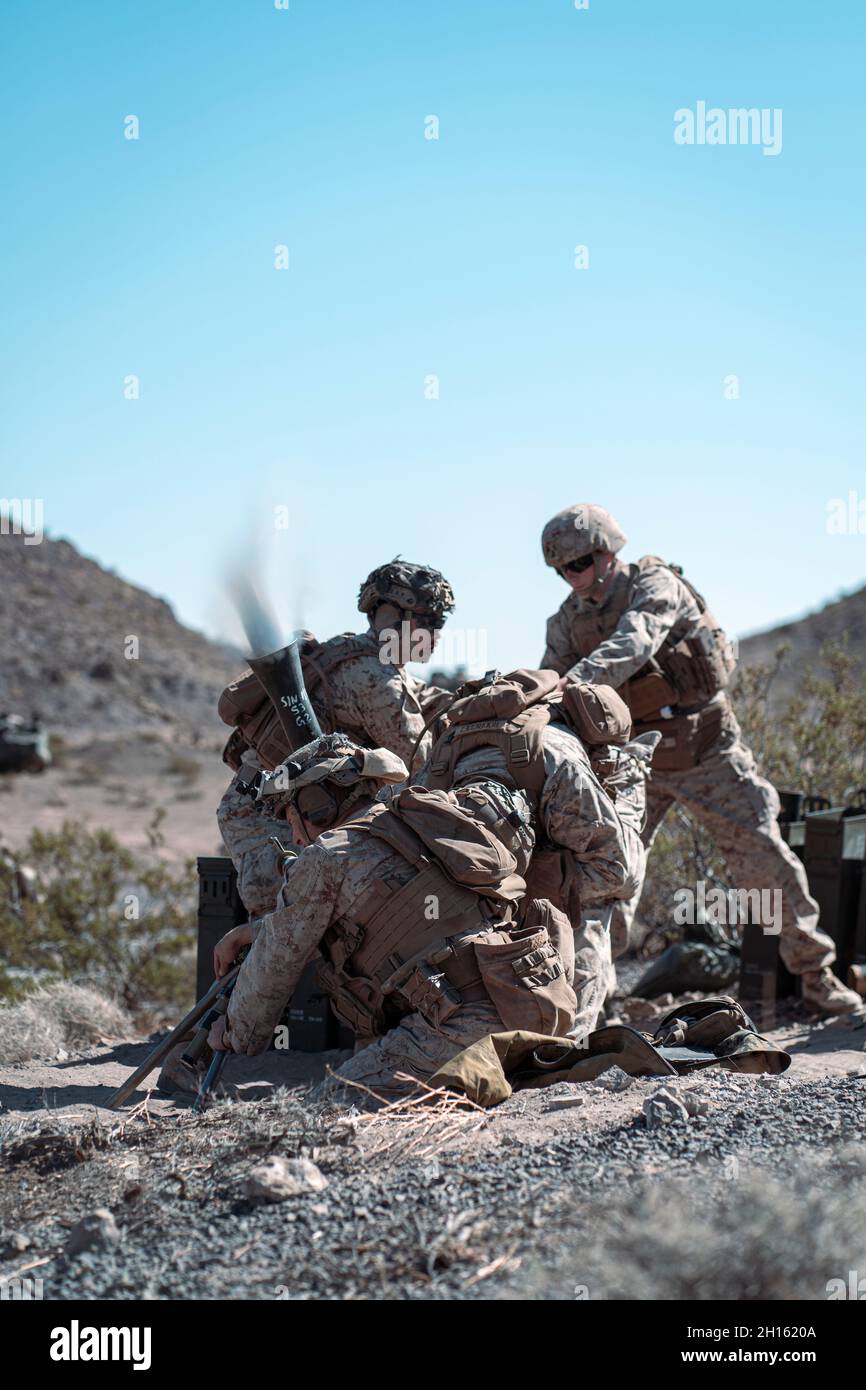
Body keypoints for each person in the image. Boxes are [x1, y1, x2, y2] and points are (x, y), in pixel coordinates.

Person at [539, 502, 861, 1015]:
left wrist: (573, 683)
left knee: (763, 858)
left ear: (605, 553)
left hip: (707, 748)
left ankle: (815, 974)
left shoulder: (654, 584)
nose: (571, 579)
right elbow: (549, 676)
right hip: (636, 760)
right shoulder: (566, 623)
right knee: (608, 873)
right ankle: (590, 996)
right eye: (561, 571)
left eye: (577, 565)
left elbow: (636, 640)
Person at [209, 734, 576, 1103]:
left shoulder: (327, 857)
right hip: (540, 998)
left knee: (323, 1111)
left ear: (315, 805)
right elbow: (409, 914)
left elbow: (277, 963)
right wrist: (256, 932)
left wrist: (234, 1032)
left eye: (292, 818)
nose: (294, 837)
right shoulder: (420, 820)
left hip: (468, 1027)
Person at [421, 669, 657, 1033]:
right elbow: (617, 873)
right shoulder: (561, 757)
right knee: (596, 899)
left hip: (455, 895)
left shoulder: (444, 749)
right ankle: (570, 1038)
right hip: (480, 885)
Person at [216, 560, 455, 917]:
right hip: (269, 818)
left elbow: (422, 696)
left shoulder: (352, 652)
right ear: (393, 617)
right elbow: (422, 769)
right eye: (429, 621)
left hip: (286, 808)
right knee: (283, 927)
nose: (436, 634)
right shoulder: (374, 679)